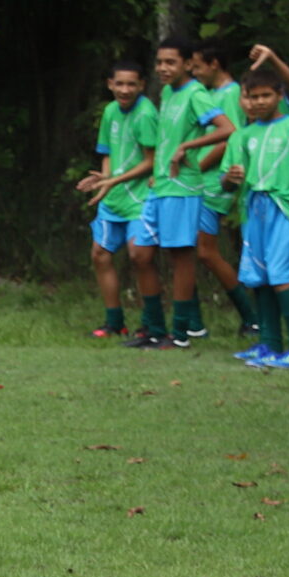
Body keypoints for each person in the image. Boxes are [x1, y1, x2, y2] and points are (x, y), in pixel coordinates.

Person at [219, 72, 289, 369]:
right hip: (254, 208)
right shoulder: (243, 136)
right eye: (252, 97)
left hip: (286, 207)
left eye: (265, 95)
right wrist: (230, 178)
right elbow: (224, 182)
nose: (258, 102)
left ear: (280, 94)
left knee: (280, 275)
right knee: (260, 277)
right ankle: (271, 344)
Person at [130, 37, 232, 349]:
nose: (163, 68)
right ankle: (155, 328)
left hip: (184, 187)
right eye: (159, 62)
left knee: (180, 256)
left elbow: (227, 128)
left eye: (170, 62)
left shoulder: (196, 93)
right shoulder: (166, 92)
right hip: (160, 185)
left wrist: (188, 147)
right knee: (140, 253)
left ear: (188, 64)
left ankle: (180, 333)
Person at [75, 62, 157, 338]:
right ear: (110, 84)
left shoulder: (146, 114)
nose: (125, 89)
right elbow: (108, 153)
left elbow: (151, 161)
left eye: (131, 84)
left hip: (140, 198)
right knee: (100, 255)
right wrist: (104, 180)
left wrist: (114, 181)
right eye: (119, 84)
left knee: (139, 256)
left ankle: (151, 324)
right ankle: (114, 322)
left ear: (142, 85)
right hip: (114, 197)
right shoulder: (110, 111)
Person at [185, 40, 260, 337]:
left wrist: (196, 167)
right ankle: (191, 322)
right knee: (184, 246)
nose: (193, 71)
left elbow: (226, 138)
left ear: (214, 64)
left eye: (197, 65)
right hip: (197, 179)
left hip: (214, 180)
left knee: (205, 251)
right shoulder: (209, 94)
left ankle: (250, 317)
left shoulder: (229, 95)